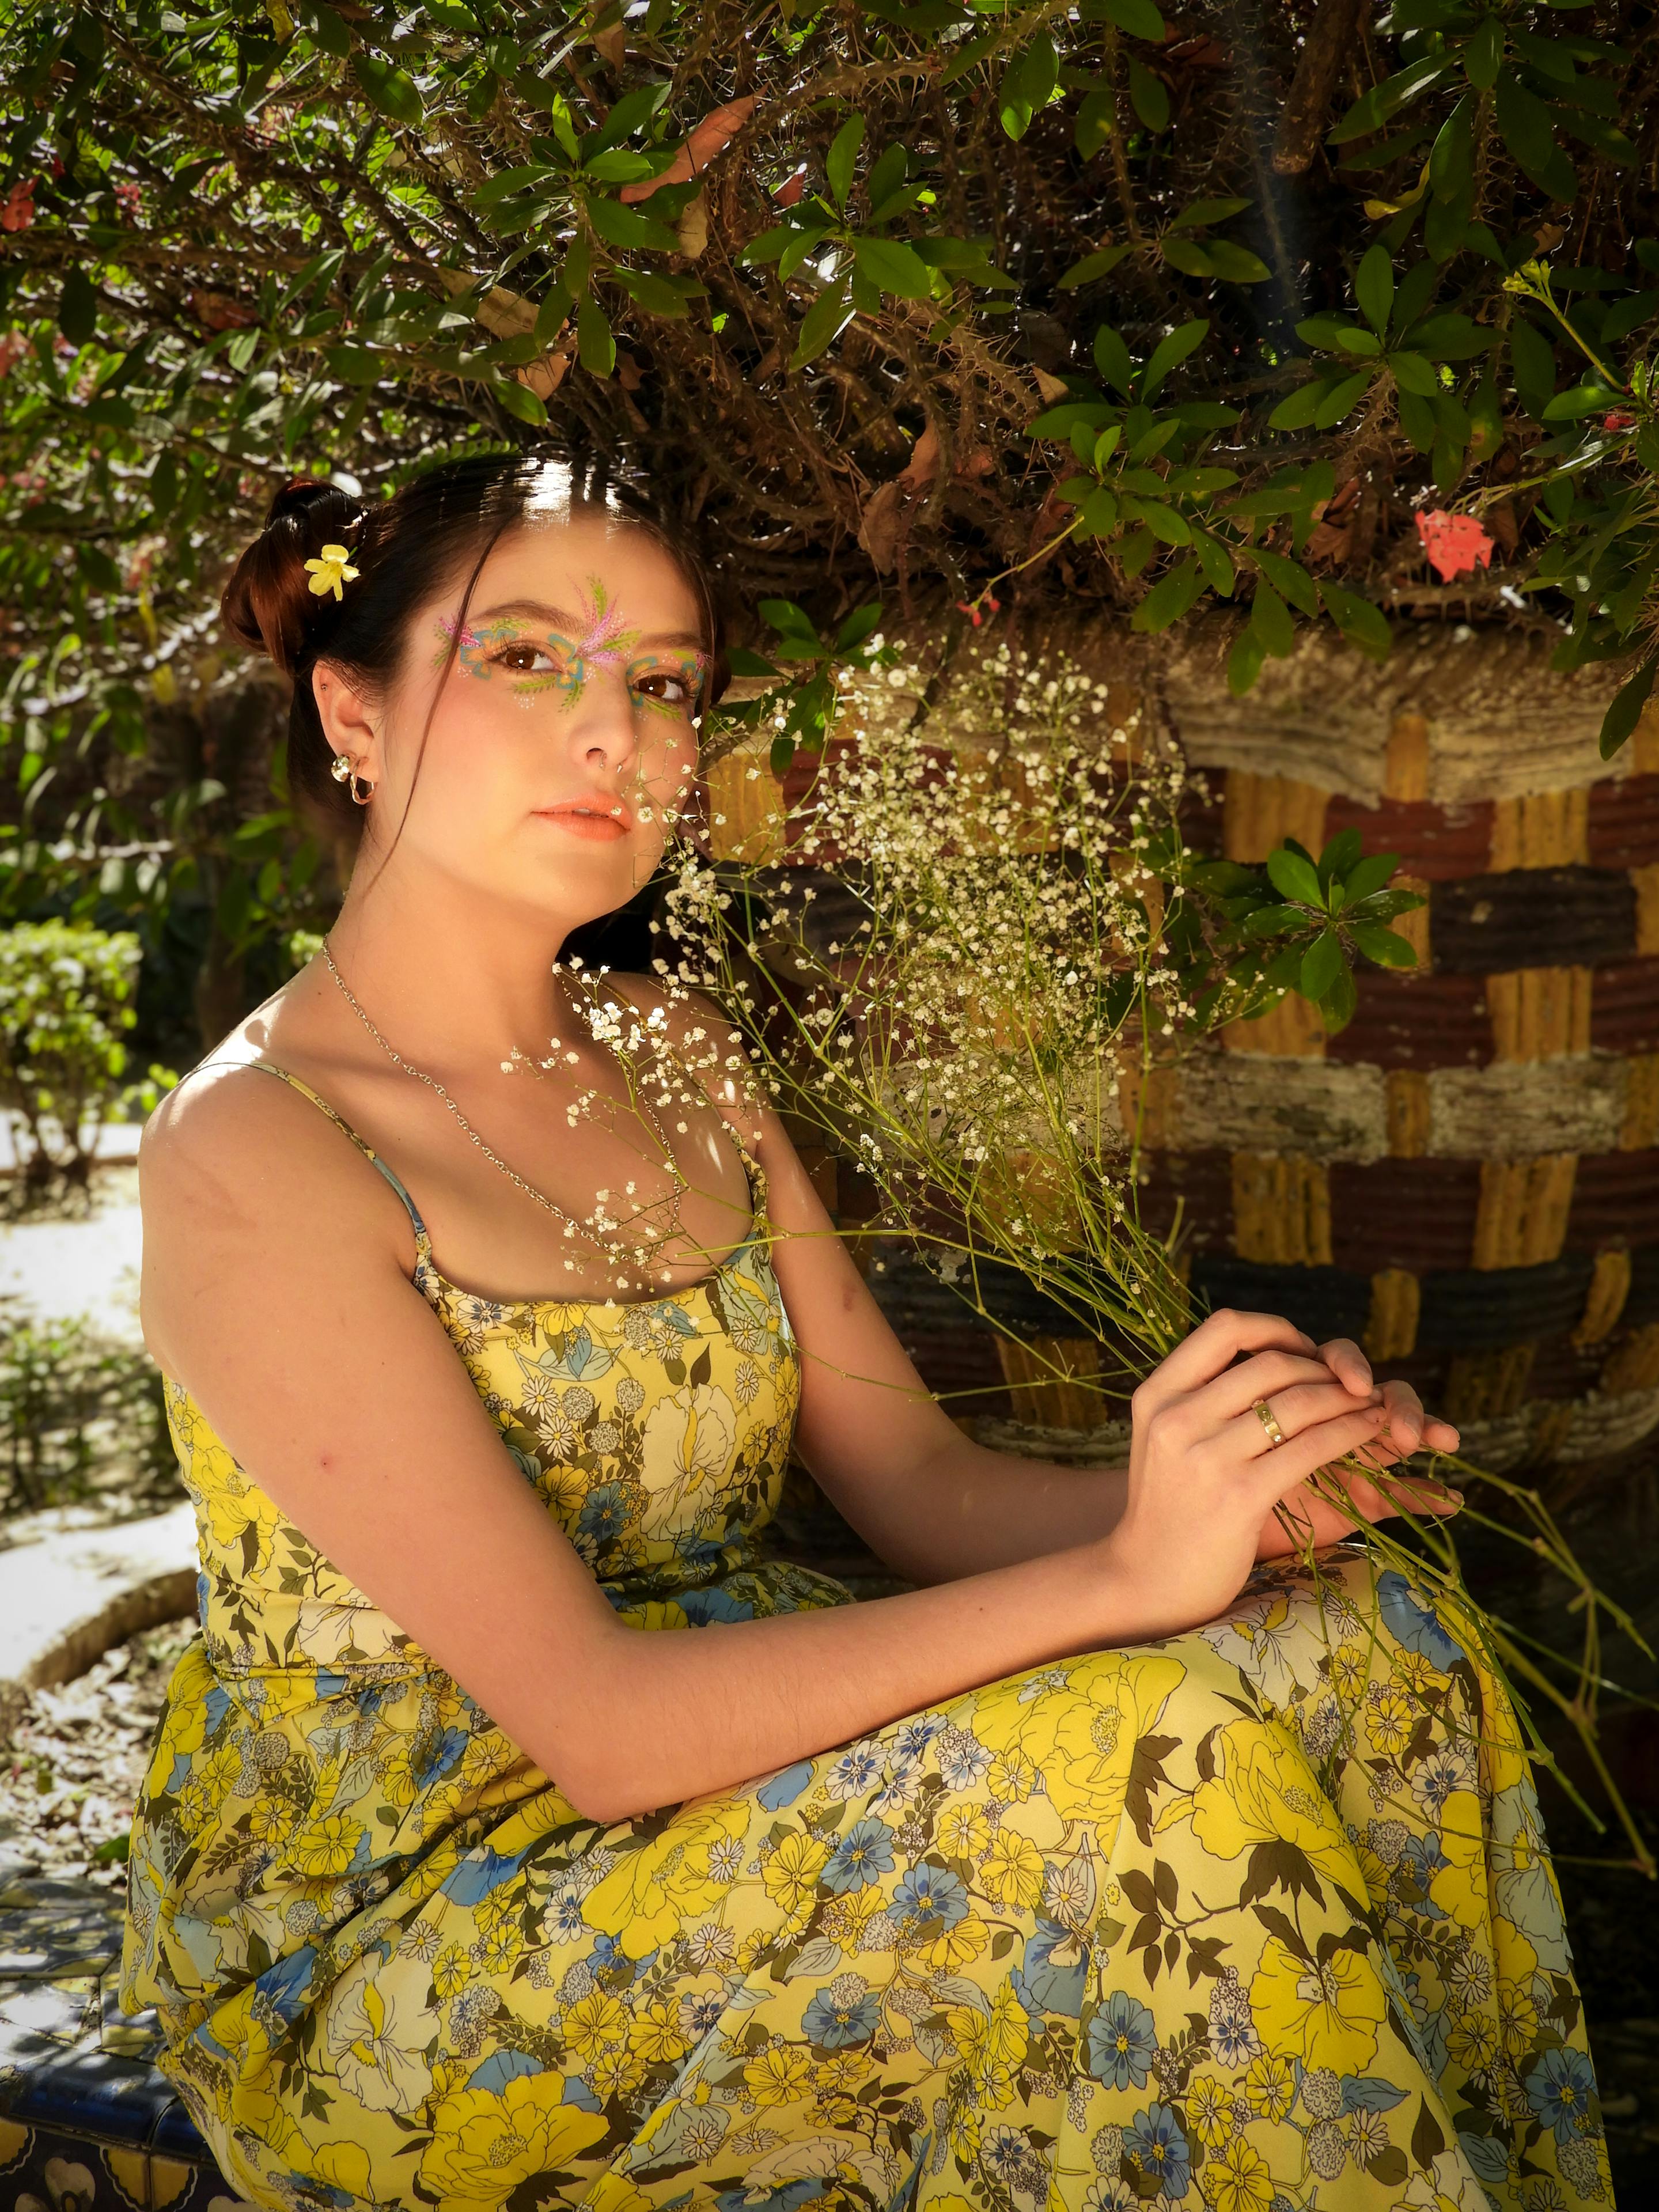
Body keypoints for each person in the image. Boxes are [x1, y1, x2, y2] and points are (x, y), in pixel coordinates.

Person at [120, 454, 1611, 2212]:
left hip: (737, 1761)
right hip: (427, 1910)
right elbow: (597, 1728)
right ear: (352, 710)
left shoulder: (673, 1048)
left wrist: (1239, 1489)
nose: (614, 734)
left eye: (663, 683)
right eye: (527, 660)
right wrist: (1129, 1578)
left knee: (1364, 1633)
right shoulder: (259, 1152)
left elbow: (910, 1478)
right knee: (1146, 1761)